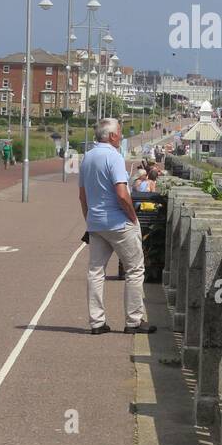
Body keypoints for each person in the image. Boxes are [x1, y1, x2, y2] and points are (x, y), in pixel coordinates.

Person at [79, 117, 154, 336]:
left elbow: (82, 196)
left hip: (96, 222)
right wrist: (132, 217)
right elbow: (122, 193)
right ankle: (133, 321)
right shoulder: (114, 157)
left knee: (95, 271)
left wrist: (89, 220)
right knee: (135, 269)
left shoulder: (87, 158)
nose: (121, 136)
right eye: (119, 132)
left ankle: (97, 322)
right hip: (119, 223)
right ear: (112, 136)